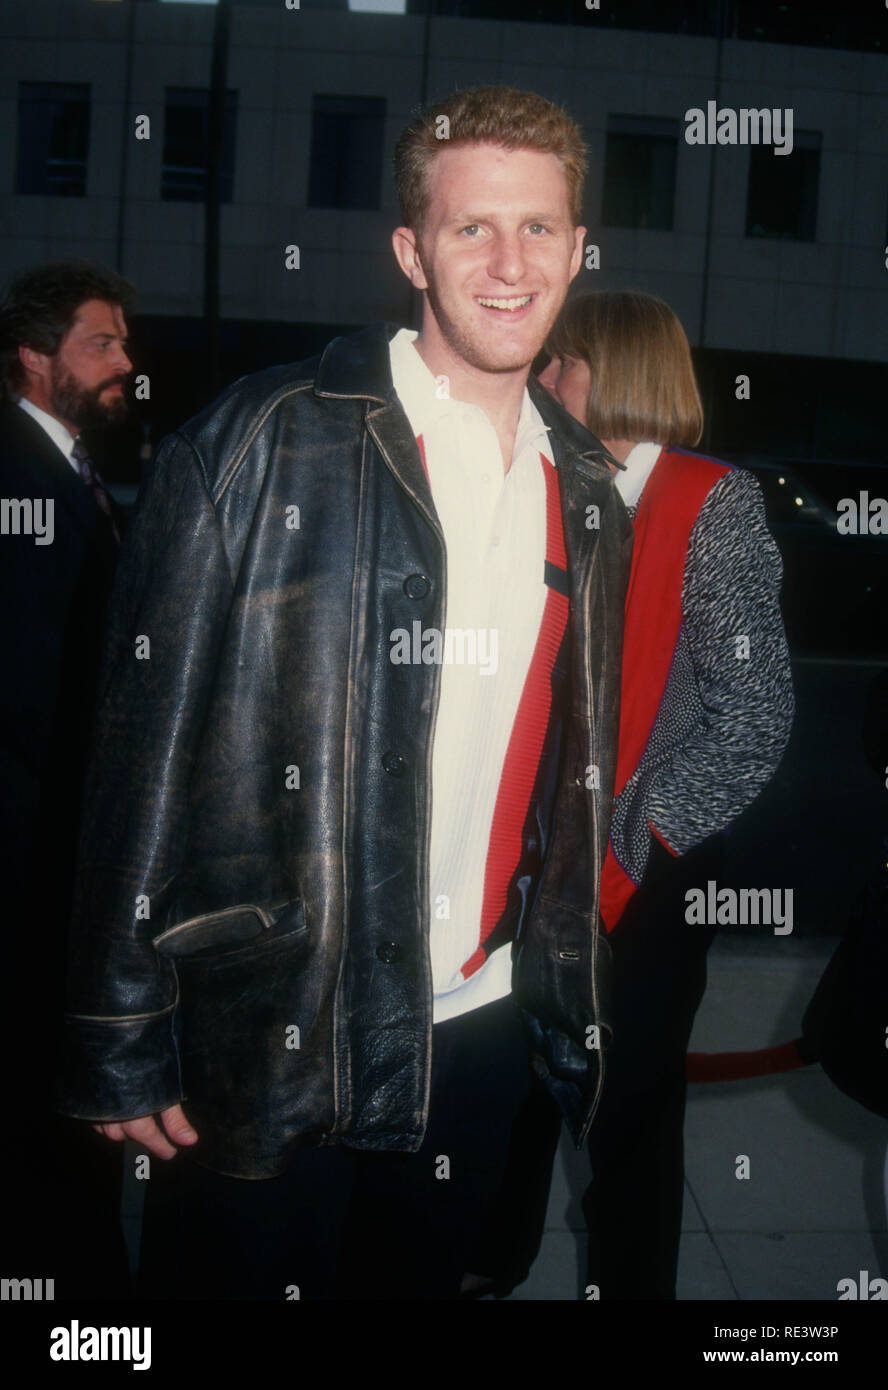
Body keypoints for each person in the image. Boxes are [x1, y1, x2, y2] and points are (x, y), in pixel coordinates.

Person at [56, 87, 633, 1301]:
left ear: (581, 248)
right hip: (271, 1026)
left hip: (474, 1033)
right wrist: (119, 1033)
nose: (511, 262)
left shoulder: (586, 487)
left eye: (541, 229)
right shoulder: (260, 440)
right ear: (412, 251)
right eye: (473, 228)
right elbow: (136, 755)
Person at [532, 289, 795, 1299]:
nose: (547, 380)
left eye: (566, 362)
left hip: (646, 878)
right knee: (516, 1104)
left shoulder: (707, 497)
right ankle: (488, 1262)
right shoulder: (551, 489)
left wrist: (639, 842)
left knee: (629, 1124)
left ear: (614, 371)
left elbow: (754, 715)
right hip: (538, 863)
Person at [0, 259, 135, 1298]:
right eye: (100, 343)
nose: (124, 363)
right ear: (35, 359)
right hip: (32, 856)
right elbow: (35, 683)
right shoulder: (18, 481)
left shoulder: (70, 471)